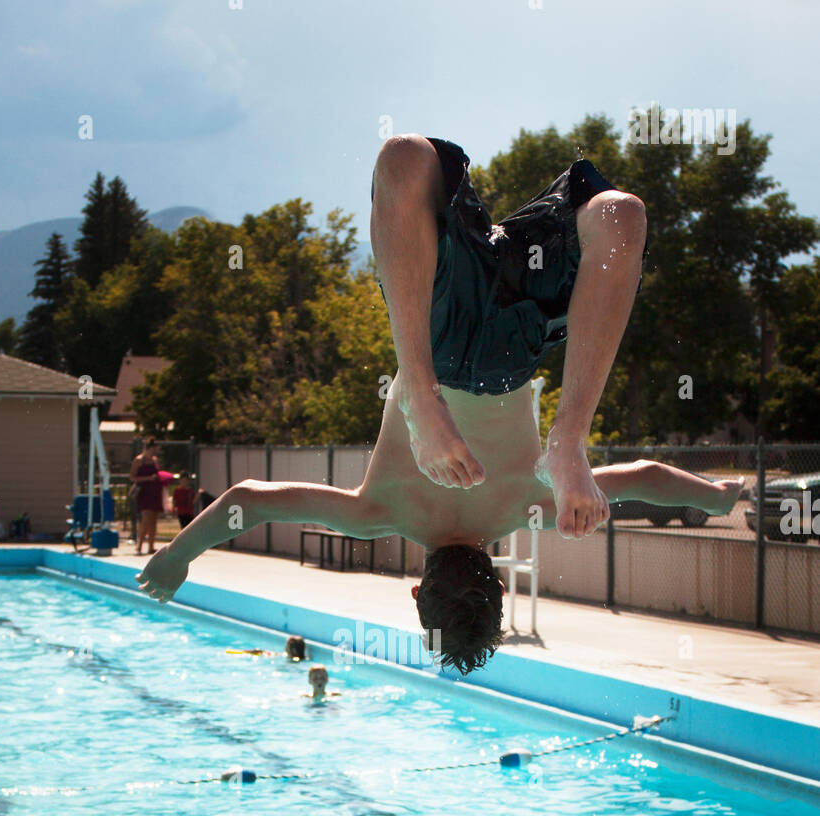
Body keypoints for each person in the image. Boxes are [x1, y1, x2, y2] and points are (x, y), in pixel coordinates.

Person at [137, 134, 742, 674]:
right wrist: (176, 556)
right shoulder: (376, 514)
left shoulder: (526, 507)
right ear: (415, 590)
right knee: (402, 161)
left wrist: (716, 499)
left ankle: (566, 435)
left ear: (499, 583)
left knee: (621, 217)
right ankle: (432, 395)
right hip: (445, 340)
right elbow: (247, 502)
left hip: (520, 343)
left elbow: (648, 478)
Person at [130, 437, 164, 556]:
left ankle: (151, 546)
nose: (156, 451)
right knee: (145, 519)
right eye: (154, 448)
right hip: (144, 492)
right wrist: (148, 478)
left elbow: (158, 473)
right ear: (149, 448)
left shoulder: (155, 460)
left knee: (154, 520)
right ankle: (139, 545)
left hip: (155, 491)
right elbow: (132, 477)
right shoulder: (139, 460)